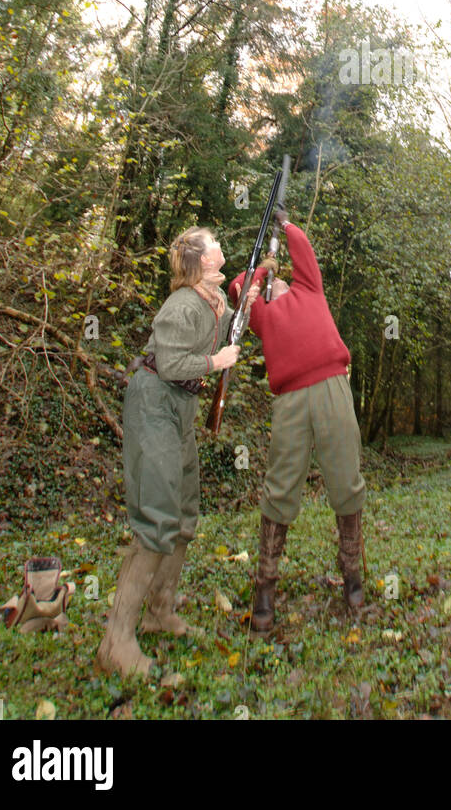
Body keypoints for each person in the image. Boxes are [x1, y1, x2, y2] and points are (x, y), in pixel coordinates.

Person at [97, 227, 258, 677]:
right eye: (213, 244)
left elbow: (230, 329)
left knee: (184, 514)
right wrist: (215, 363)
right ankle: (116, 642)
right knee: (158, 518)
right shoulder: (181, 304)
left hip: (180, 409)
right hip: (153, 402)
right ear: (201, 261)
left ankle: (159, 611)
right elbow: (169, 364)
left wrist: (253, 292)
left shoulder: (213, 303)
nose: (221, 247)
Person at [229, 210, 366, 631]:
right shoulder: (262, 315)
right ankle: (265, 592)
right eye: (275, 281)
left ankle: (353, 581)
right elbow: (237, 291)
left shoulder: (309, 288)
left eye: (281, 276)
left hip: (332, 389)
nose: (281, 280)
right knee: (280, 489)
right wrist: (259, 272)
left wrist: (284, 227)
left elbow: (304, 252)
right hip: (289, 401)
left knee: (346, 481)